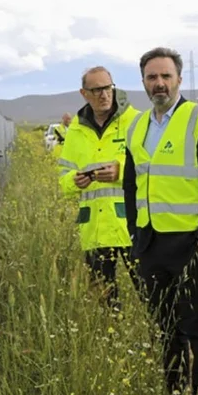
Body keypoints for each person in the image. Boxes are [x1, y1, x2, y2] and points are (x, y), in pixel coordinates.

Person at [122, 46, 198, 395]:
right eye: (152, 77)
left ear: (179, 80)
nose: (159, 83)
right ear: (143, 82)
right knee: (166, 331)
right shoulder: (137, 126)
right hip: (151, 245)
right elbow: (131, 185)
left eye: (166, 76)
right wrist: (136, 236)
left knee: (197, 331)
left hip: (189, 247)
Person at [56, 66, 140, 302]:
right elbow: (63, 177)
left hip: (133, 227)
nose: (104, 94)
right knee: (103, 300)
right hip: (94, 229)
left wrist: (121, 171)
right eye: (96, 90)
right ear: (84, 93)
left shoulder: (136, 121)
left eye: (107, 88)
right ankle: (112, 336)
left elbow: (152, 166)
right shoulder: (76, 129)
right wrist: (74, 181)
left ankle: (160, 338)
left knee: (150, 294)